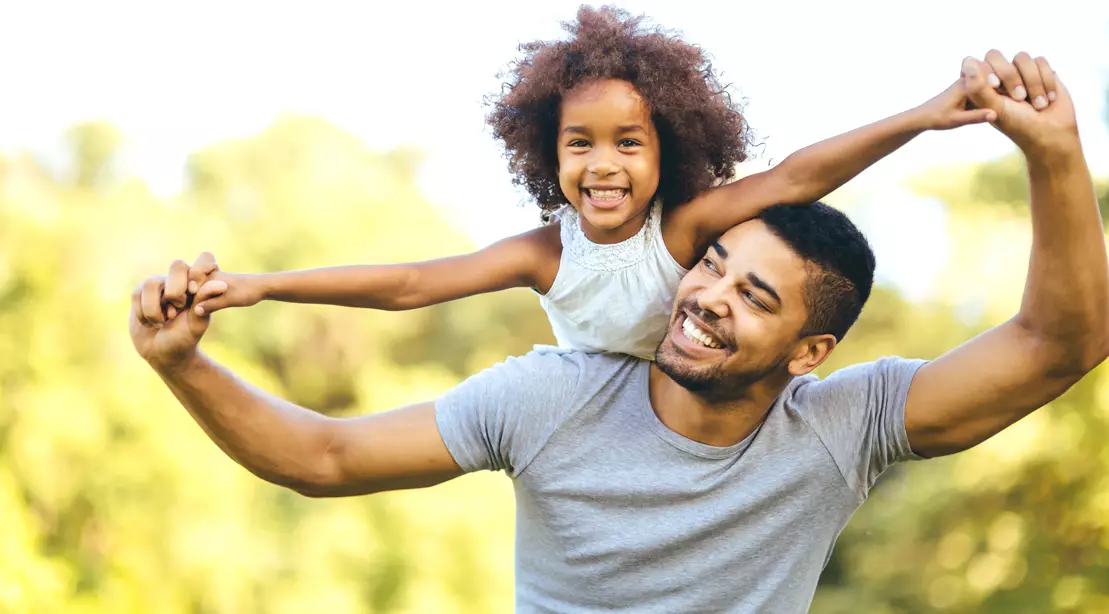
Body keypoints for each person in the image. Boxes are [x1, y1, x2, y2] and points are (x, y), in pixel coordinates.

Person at [130, 52, 1106, 612]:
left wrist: (1053, 153)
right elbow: (326, 452)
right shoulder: (550, 393)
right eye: (713, 264)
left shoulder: (839, 425)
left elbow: (1055, 345)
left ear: (810, 351)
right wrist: (189, 359)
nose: (708, 292)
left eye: (756, 297)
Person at [139, 7, 996, 361]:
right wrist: (258, 286)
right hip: (593, 421)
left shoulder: (690, 228)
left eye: (629, 142)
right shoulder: (544, 253)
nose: (603, 165)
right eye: (578, 143)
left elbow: (798, 175)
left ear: (669, 150)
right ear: (546, 155)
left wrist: (920, 116)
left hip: (699, 398)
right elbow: (409, 284)